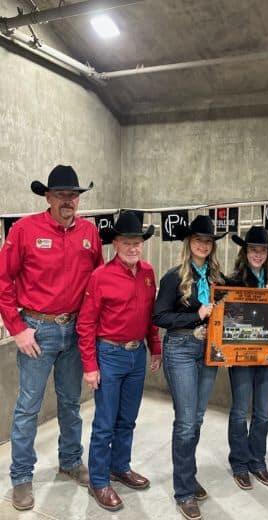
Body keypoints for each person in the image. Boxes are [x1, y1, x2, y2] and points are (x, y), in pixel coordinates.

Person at [0, 165, 102, 511]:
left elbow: (98, 282)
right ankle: (21, 477)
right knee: (28, 407)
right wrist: (17, 328)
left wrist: (94, 328)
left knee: (71, 403)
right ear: (47, 197)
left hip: (75, 330)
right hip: (37, 331)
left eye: (73, 195)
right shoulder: (24, 230)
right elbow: (3, 280)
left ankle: (70, 461)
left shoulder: (89, 233)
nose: (68, 201)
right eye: (61, 195)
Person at [76, 211, 161, 511]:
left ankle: (119, 466)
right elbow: (86, 323)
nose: (133, 247)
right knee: (105, 422)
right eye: (127, 242)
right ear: (115, 244)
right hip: (109, 355)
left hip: (137, 355)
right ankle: (98, 480)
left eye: (137, 242)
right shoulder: (100, 277)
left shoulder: (148, 272)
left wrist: (155, 347)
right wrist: (90, 365)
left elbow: (150, 315)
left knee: (128, 419)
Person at [153, 215, 225, 520]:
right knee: (185, 421)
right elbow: (160, 317)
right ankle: (183, 491)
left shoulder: (217, 278)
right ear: (189, 243)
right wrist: (197, 315)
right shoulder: (174, 277)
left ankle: (188, 475)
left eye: (207, 241)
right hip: (181, 348)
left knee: (196, 418)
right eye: (198, 240)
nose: (203, 245)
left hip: (209, 349)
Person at [223, 226, 268, 490]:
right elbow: (226, 317)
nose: (258, 254)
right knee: (239, 411)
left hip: (267, 355)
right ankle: (239, 463)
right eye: (253, 250)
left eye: (262, 250)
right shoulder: (233, 280)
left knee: (263, 412)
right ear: (245, 252)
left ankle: (257, 461)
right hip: (241, 355)